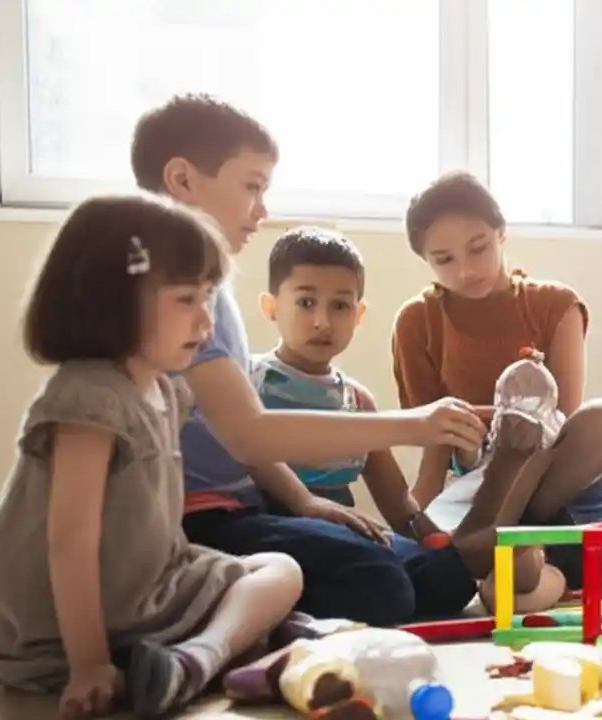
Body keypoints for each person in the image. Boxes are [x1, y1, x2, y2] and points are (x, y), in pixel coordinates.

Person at [131, 93, 485, 625]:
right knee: (382, 584)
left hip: (251, 504)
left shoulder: (211, 288)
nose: (262, 210)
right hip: (195, 522)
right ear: (182, 180)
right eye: (252, 186)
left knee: (446, 574)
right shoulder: (168, 288)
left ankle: (269, 597)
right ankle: (242, 609)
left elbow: (240, 434)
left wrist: (304, 501)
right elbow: (250, 433)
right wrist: (412, 425)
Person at [0, 193, 303, 718]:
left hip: (143, 596)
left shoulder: (166, 391)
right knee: (270, 585)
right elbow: (70, 539)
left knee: (280, 569)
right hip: (61, 635)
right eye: (185, 300)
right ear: (111, 301)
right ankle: (215, 648)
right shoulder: (89, 396)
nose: (205, 321)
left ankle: (196, 656)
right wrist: (87, 665)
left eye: (208, 298)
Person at [252, 225, 554, 611]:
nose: (322, 322)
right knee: (384, 585)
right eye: (306, 303)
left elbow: (395, 499)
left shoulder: (357, 400)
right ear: (271, 307)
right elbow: (250, 447)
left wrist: (433, 538)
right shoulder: (251, 381)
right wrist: (305, 501)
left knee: (449, 579)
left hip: (341, 527)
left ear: (359, 314)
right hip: (276, 523)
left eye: (340, 306)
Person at [392, 170, 602, 599]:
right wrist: (416, 516)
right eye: (444, 259)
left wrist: (517, 417)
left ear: (501, 232)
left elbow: (563, 420)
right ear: (425, 260)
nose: (466, 269)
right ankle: (513, 543)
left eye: (478, 248)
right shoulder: (417, 321)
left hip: (565, 478)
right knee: (444, 573)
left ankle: (505, 531)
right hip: (480, 481)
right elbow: (433, 434)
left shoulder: (555, 304)